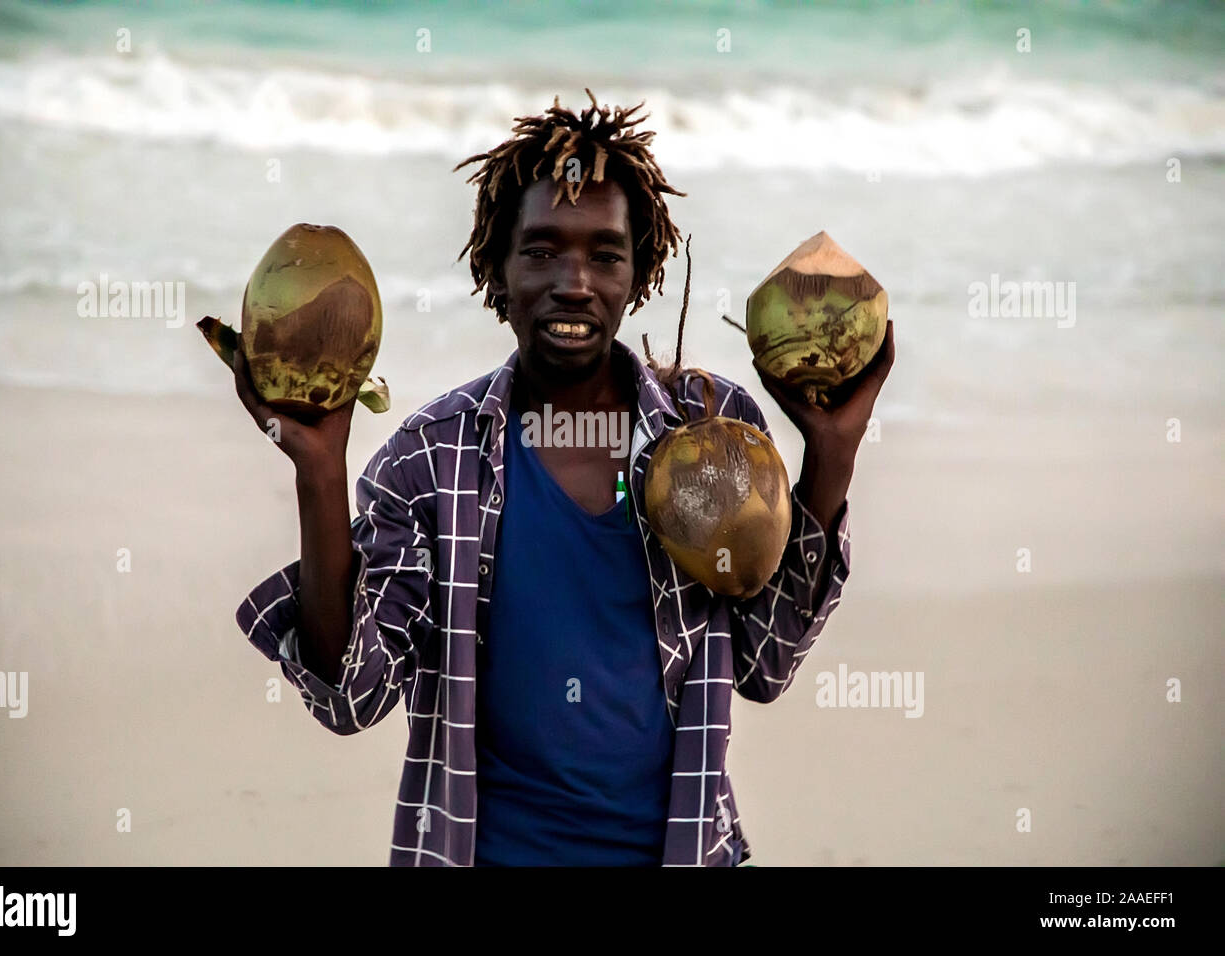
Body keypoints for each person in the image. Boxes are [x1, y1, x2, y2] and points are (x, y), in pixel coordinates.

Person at [232, 90, 895, 867]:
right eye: (541, 250)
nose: (573, 280)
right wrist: (320, 471)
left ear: (640, 271)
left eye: (604, 254)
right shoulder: (430, 461)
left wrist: (832, 455)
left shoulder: (708, 432)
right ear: (497, 270)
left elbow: (764, 664)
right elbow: (352, 697)